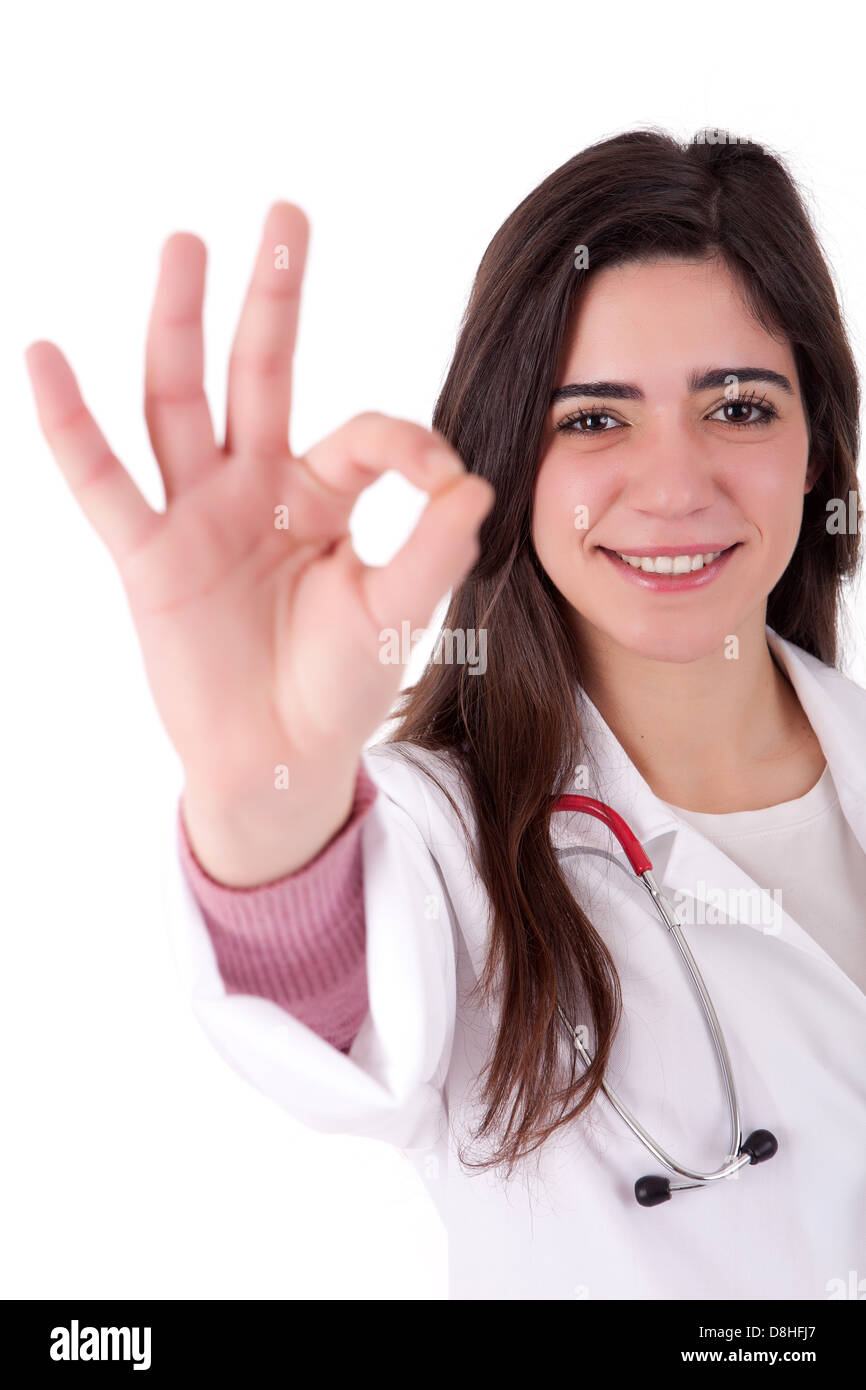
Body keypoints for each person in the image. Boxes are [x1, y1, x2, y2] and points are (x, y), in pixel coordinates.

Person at [25, 128, 866, 1301]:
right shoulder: (444, 844)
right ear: (508, 458)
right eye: (590, 419)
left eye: (735, 408)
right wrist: (252, 784)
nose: (674, 486)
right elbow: (325, 1002)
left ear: (820, 443)